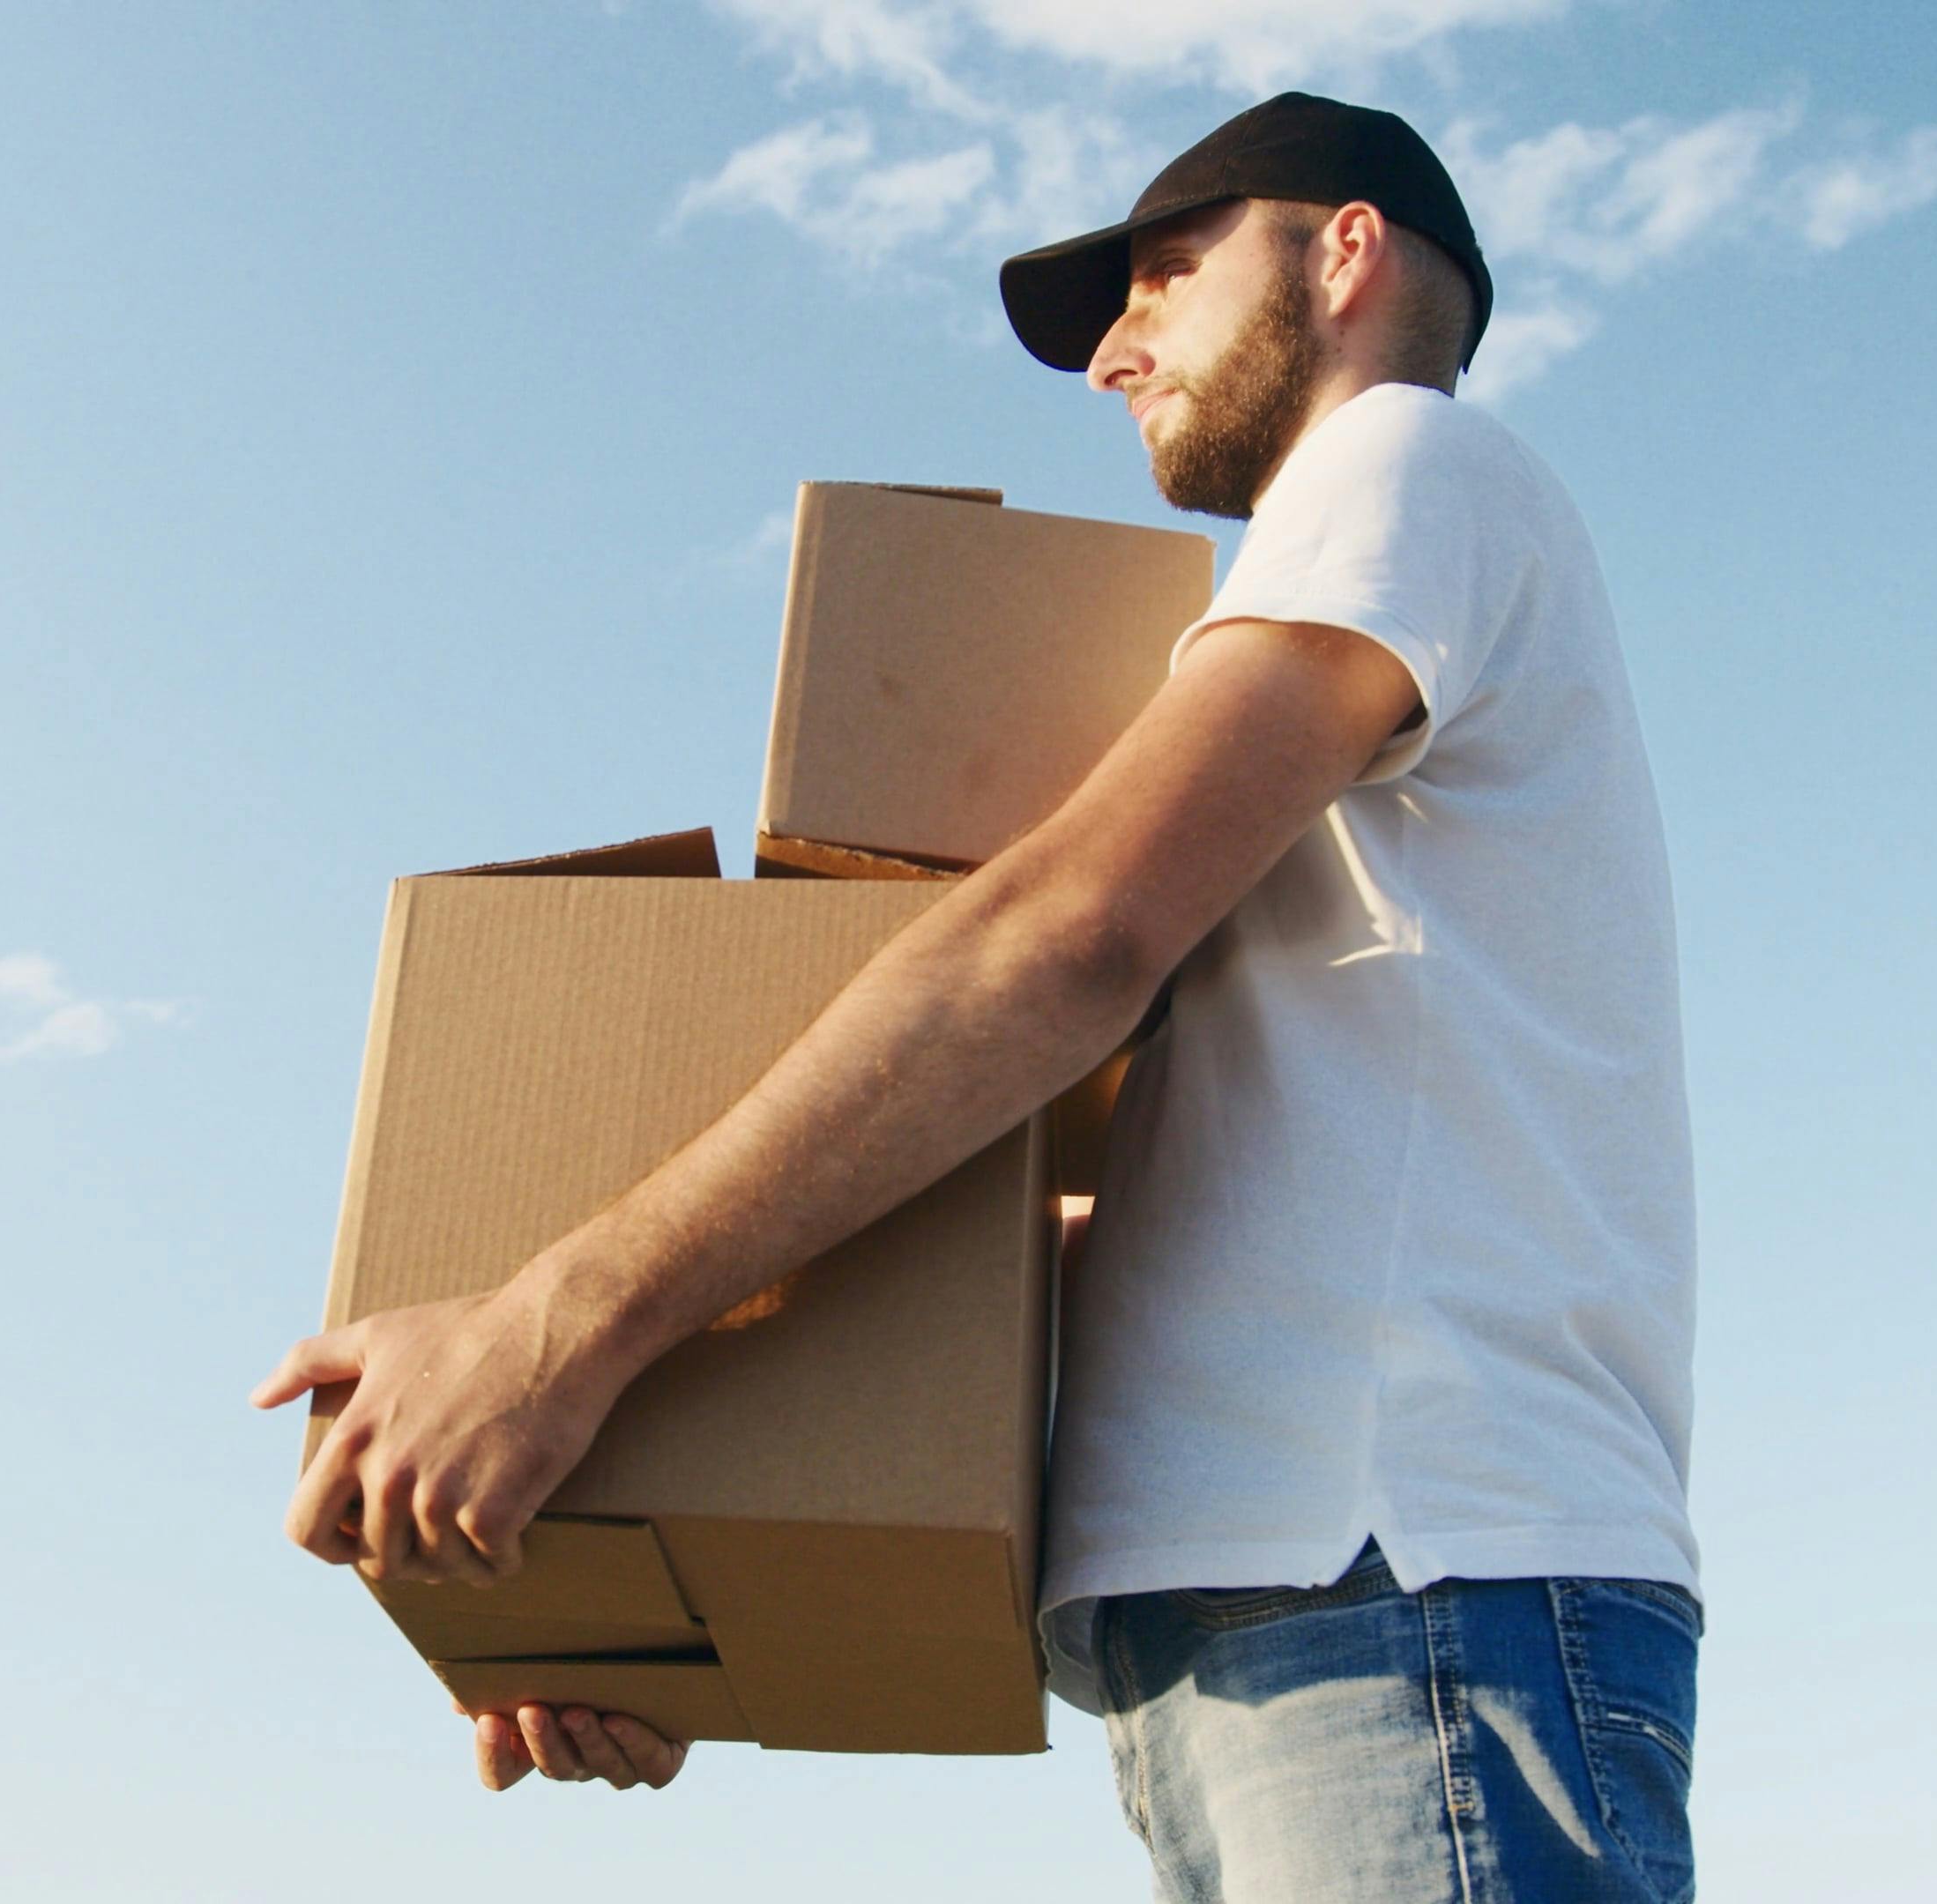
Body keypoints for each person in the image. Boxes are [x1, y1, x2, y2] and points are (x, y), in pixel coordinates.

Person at [252, 92, 1703, 1902]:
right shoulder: (1352, 800)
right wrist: (663, 1550)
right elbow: (1040, 1236)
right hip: (1275, 1629)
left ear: (1346, 253)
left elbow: (1065, 939)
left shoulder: (1411, 456)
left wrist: (556, 1336)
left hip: (1403, 1587)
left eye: (1166, 275)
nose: (1112, 352)